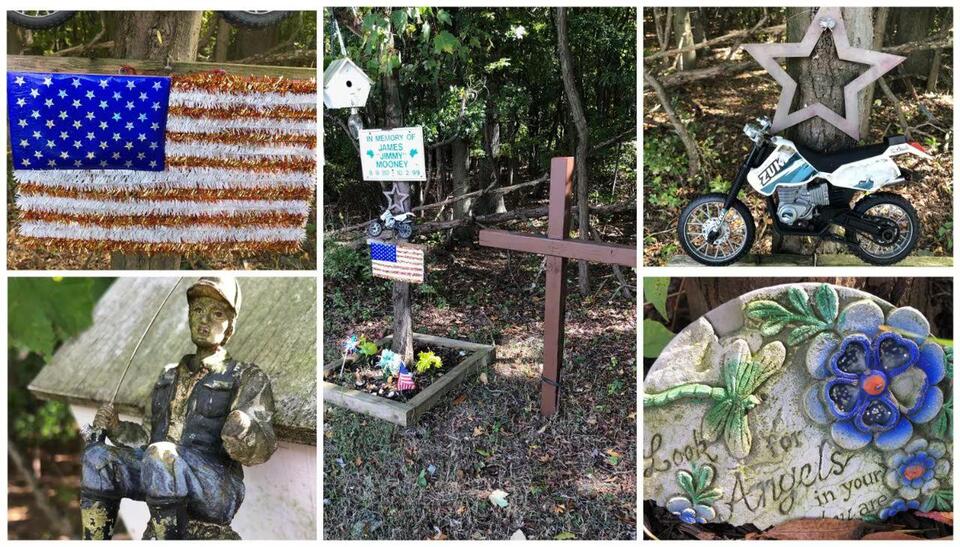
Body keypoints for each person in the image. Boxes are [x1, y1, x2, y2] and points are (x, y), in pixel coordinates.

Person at [80, 277, 277, 539]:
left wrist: (243, 430)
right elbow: (148, 439)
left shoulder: (243, 375)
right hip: (158, 470)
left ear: (230, 327)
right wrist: (116, 428)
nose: (204, 320)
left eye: (216, 313)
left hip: (214, 486)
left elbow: (262, 447)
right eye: (197, 310)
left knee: (162, 456)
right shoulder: (167, 376)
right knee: (97, 459)